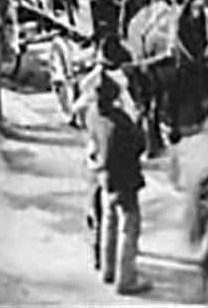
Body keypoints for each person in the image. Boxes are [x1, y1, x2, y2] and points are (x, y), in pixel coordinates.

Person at [84, 74, 149, 296]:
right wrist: (138, 122)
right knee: (129, 228)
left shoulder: (92, 115)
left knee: (109, 223)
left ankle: (107, 269)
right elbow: (140, 146)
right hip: (125, 180)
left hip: (104, 178)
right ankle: (126, 279)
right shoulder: (120, 121)